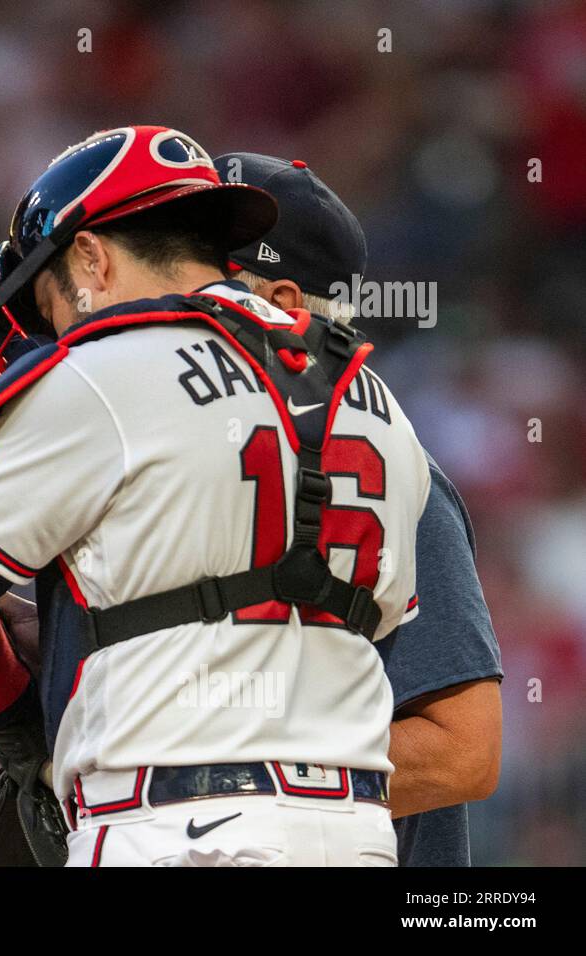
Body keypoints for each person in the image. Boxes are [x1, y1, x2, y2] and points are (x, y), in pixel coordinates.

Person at [0, 125, 434, 866]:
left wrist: (24, 735)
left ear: (89, 256)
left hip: (176, 827)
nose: (56, 324)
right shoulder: (374, 396)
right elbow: (365, 638)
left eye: (49, 302)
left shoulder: (102, 371)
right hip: (356, 832)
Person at [216, 153, 503, 865]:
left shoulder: (389, 473)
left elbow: (463, 752)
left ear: (281, 305)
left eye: (201, 277)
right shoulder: (205, 460)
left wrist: (218, 778)